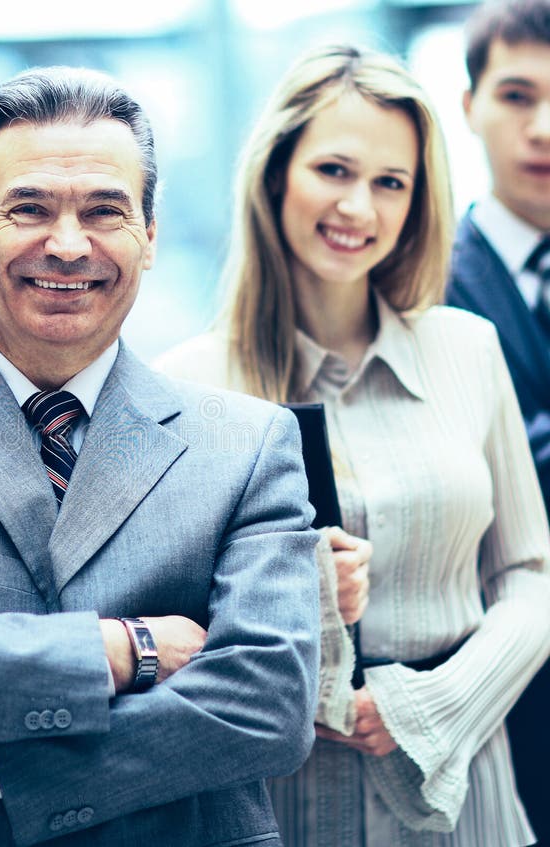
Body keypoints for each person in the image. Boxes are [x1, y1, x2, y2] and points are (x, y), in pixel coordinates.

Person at [0, 65, 320, 847]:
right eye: (29, 208)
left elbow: (268, 707)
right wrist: (124, 649)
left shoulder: (249, 442)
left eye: (105, 210)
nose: (68, 246)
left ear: (149, 232)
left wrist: (12, 759)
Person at [155, 43, 550, 847]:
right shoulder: (185, 386)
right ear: (276, 174)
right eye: (333, 169)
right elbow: (155, 620)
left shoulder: (467, 351)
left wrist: (432, 709)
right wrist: (278, 592)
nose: (359, 208)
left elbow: (531, 574)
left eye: (390, 182)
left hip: (460, 789)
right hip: (275, 805)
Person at [445, 3, 550, 842]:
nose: (544, 127)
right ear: (469, 104)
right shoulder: (410, 287)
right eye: (518, 94)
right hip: (494, 705)